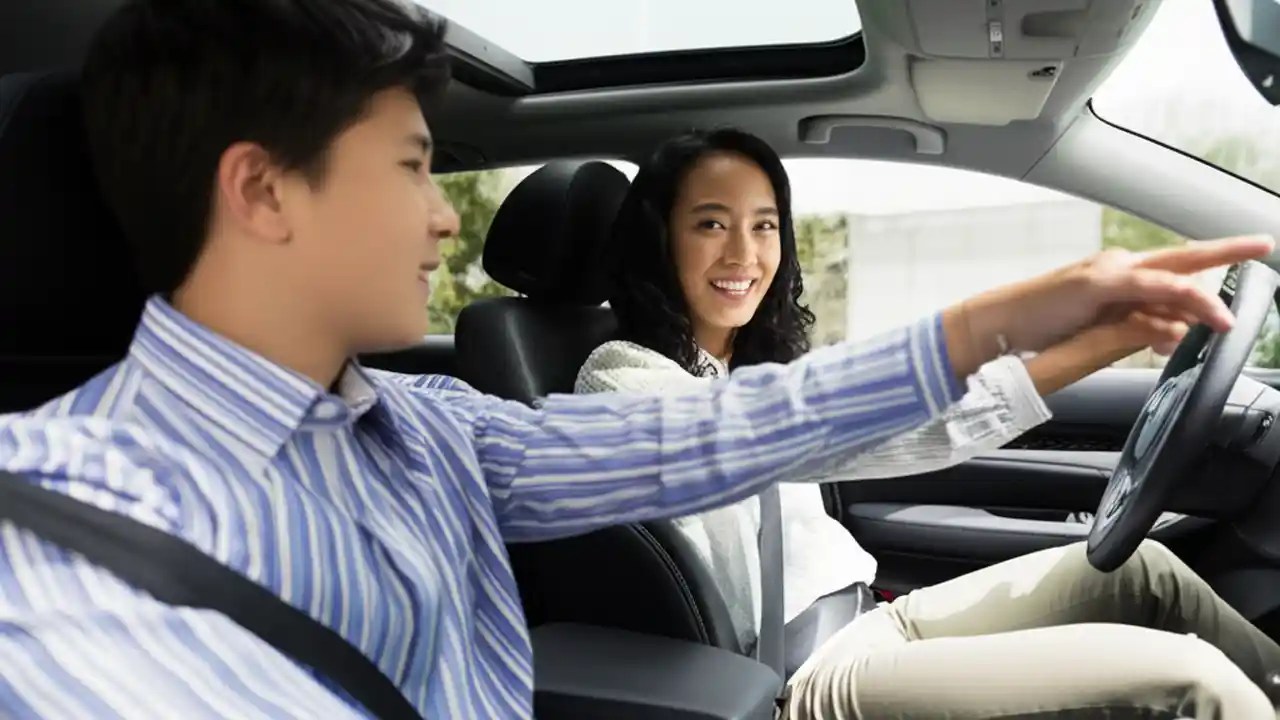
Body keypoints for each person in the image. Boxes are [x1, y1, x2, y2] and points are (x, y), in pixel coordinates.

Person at [0, 1, 1271, 718]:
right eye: (406, 168)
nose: (446, 216)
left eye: (763, 225)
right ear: (263, 195)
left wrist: (1016, 325)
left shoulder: (439, 428)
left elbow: (735, 431)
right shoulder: (45, 548)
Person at [576, 127, 1280, 719]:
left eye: (763, 225)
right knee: (1191, 681)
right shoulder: (621, 377)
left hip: (873, 619)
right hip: (801, 681)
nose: (743, 254)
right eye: (709, 224)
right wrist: (1103, 333)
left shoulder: (748, 366)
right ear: (658, 241)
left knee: (1149, 572)